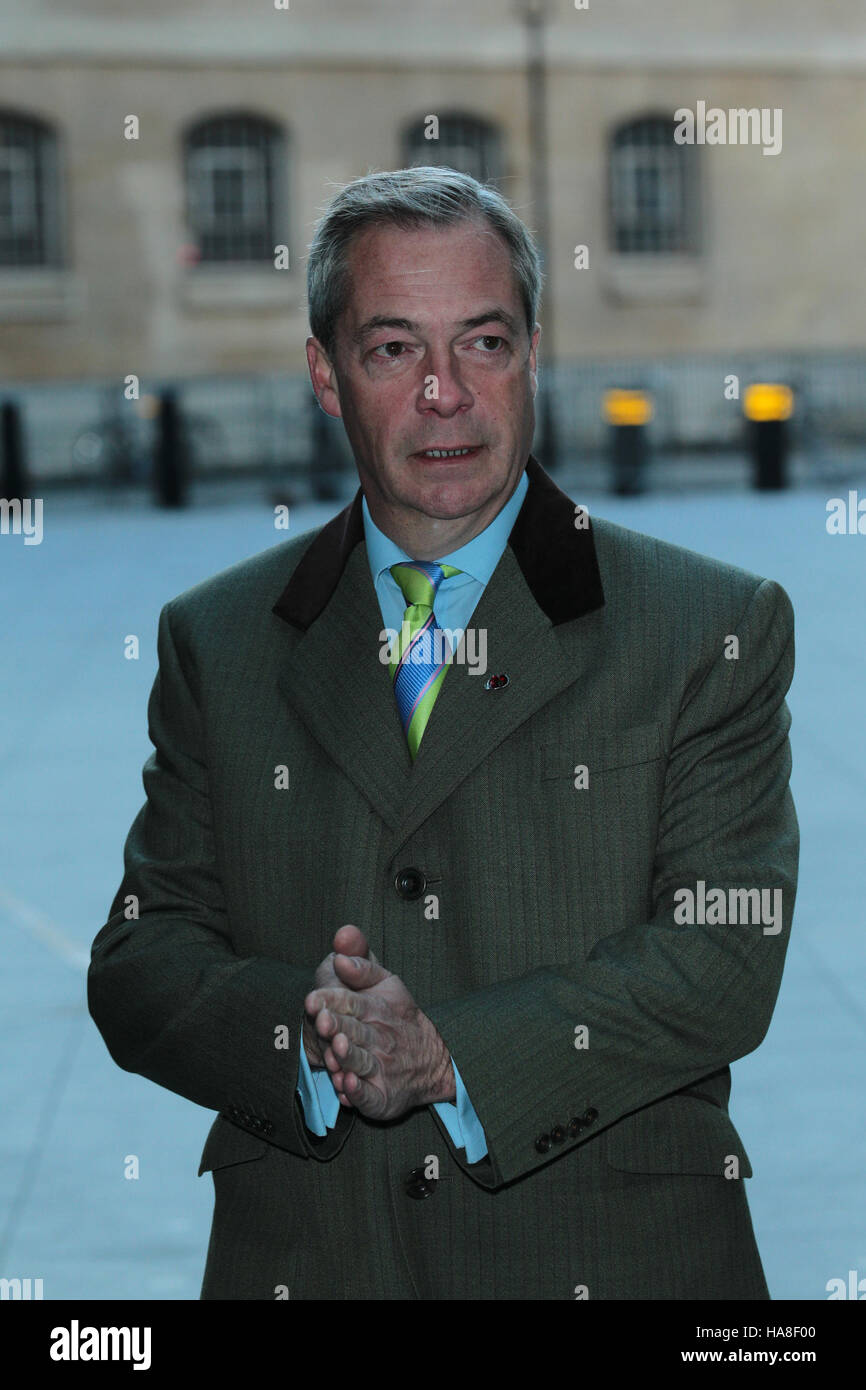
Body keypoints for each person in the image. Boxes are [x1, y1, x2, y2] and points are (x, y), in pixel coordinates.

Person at [88, 165, 798, 1300]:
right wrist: (309, 1038)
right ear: (323, 372)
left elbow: (720, 959)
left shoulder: (707, 625)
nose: (443, 394)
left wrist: (444, 1056)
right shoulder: (215, 640)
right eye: (391, 350)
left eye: (481, 342)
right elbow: (139, 957)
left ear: (530, 352)